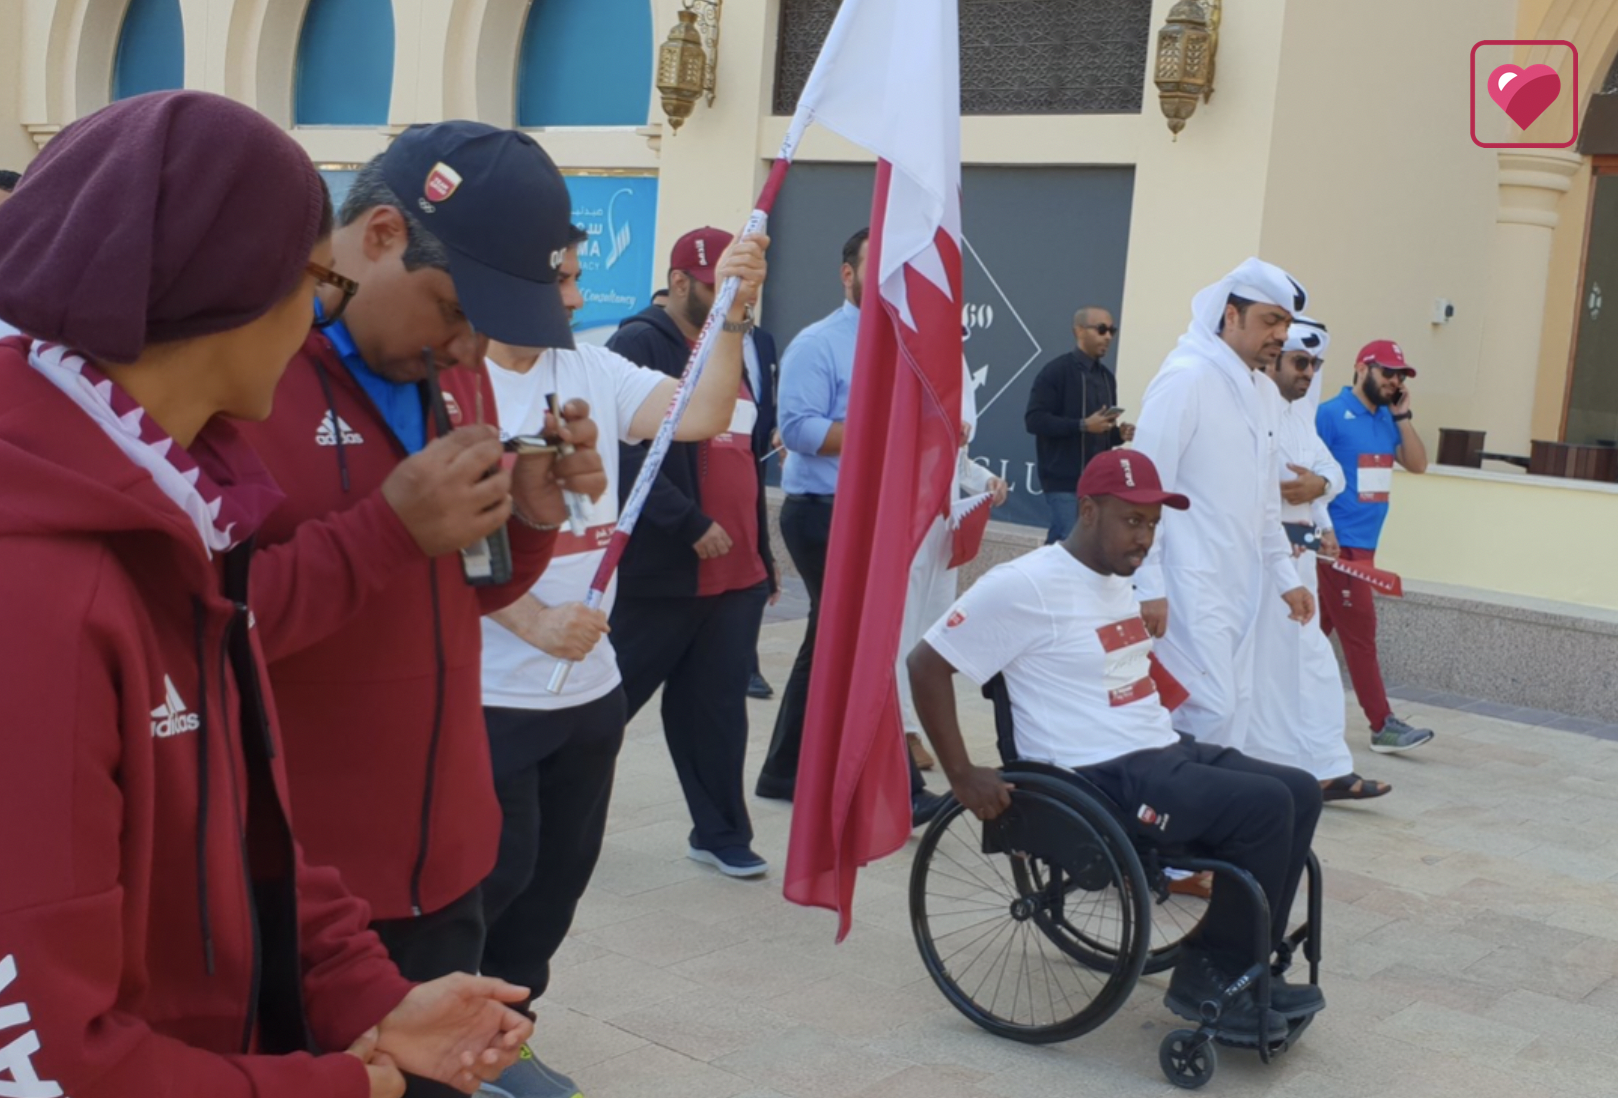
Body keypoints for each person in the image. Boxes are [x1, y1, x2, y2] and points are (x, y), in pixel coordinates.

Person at [0, 89, 537, 1098]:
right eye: (313, 285)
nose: (311, 326)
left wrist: (368, 995)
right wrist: (340, 1085)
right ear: (230, 284)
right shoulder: (40, 588)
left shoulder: (167, 503)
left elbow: (241, 809)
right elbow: (46, 1064)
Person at [232, 122, 609, 1098]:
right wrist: (390, 532)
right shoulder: (241, 372)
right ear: (383, 234)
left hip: (446, 869)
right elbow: (197, 632)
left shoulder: (448, 371)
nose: (466, 344)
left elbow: (466, 590)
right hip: (297, 894)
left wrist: (525, 521)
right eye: (454, 309)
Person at [906, 449, 1325, 1041]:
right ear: (1086, 511)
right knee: (1263, 809)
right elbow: (925, 664)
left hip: (1156, 750)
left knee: (1300, 791)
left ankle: (1242, 963)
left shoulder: (1113, 581)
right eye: (1132, 520)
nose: (1145, 537)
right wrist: (961, 773)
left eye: (1153, 523)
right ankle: (1212, 975)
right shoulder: (1025, 584)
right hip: (1096, 774)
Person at [753, 227, 945, 826]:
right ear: (847, 273)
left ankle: (783, 770)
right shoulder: (819, 343)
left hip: (877, 512)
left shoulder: (905, 342)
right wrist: (881, 432)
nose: (888, 277)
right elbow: (802, 431)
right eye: (875, 265)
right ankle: (903, 789)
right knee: (867, 642)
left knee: (832, 639)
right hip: (824, 513)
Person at [606, 227, 780, 877]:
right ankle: (537, 816)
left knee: (717, 716)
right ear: (680, 283)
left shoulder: (746, 341)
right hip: (665, 572)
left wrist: (761, 553)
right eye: (718, 286)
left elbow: (749, 454)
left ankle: (720, 833)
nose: (732, 298)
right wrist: (687, 523)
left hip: (733, 576)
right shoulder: (640, 342)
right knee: (600, 711)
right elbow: (627, 452)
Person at [1130, 258, 1316, 754]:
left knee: (1235, 711)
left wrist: (1287, 579)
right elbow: (1144, 489)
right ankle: (1171, 823)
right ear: (1230, 316)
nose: (1280, 334)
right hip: (1186, 584)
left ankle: (1207, 826)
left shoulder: (1259, 390)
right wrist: (1148, 583)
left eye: (1285, 323)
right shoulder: (1186, 379)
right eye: (1269, 321)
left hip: (1240, 587)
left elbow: (1262, 503)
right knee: (1206, 710)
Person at [1249, 320, 1390, 800]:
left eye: (1315, 365)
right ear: (1273, 361)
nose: (1309, 373)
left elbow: (1328, 471)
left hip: (1301, 561)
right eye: (1300, 362)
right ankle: (1277, 773)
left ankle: (1327, 767)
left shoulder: (1297, 415)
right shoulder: (1251, 410)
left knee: (1313, 666)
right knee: (1270, 673)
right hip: (1263, 564)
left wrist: (1321, 502)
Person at [1315, 340, 1434, 754]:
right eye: (1387, 372)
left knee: (1310, 633)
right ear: (1361, 368)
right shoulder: (1329, 415)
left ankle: (1265, 705)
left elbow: (1418, 464)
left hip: (1365, 547)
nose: (1394, 381)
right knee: (1361, 635)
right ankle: (1382, 725)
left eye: (1400, 375)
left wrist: (1402, 416)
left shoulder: (1389, 419)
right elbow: (1310, 474)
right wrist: (1320, 532)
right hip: (1336, 547)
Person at [898, 363, 1009, 772]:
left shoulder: (953, 361)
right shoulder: (907, 357)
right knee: (901, 631)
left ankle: (916, 722)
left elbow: (954, 458)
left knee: (931, 632)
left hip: (942, 527)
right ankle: (902, 728)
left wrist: (986, 481)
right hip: (905, 520)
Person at [1025, 306, 1135, 544]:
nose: (1108, 336)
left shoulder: (1107, 377)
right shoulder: (1056, 372)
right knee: (1069, 542)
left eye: (1112, 331)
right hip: (1064, 480)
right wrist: (1082, 425)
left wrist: (1118, 434)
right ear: (1078, 331)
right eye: (1101, 329)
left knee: (1075, 544)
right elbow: (1034, 420)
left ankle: (1042, 579)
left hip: (1097, 481)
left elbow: (1101, 431)